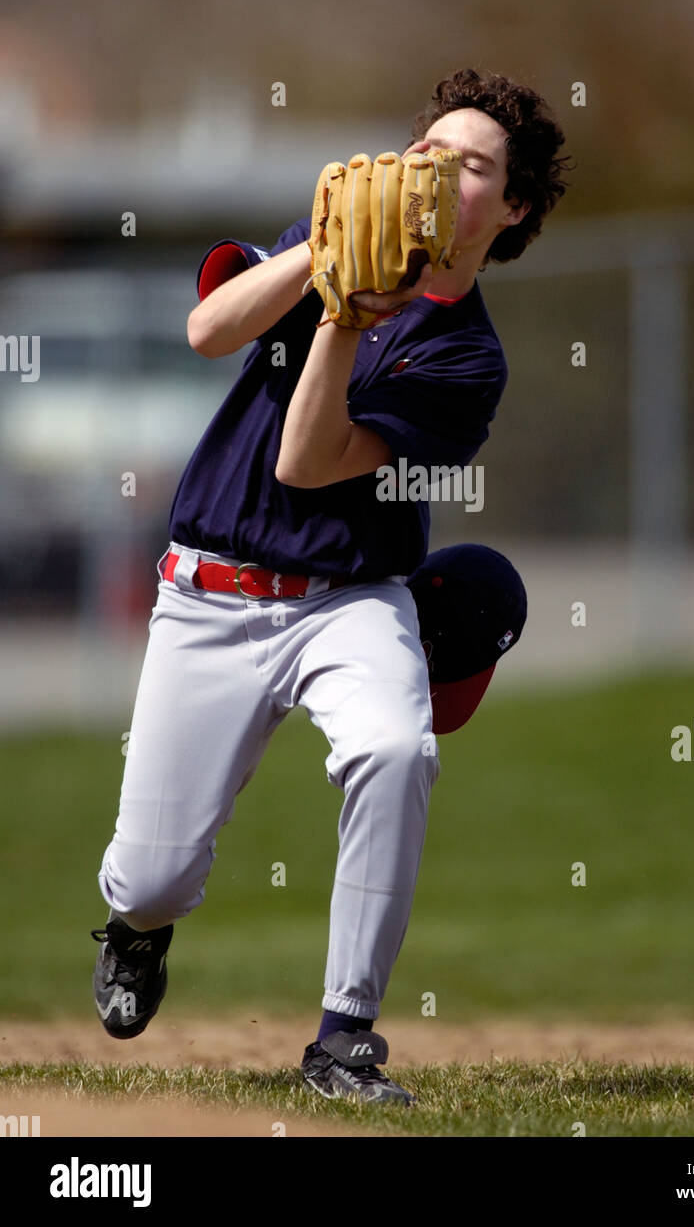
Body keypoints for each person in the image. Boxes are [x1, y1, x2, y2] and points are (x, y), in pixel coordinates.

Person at [90, 67, 569, 1106]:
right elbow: (208, 330)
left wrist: (348, 313)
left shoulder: (466, 360)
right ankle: (137, 930)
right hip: (207, 595)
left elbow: (307, 464)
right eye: (430, 150)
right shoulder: (332, 239)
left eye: (475, 164)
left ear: (515, 207)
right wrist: (320, 253)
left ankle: (344, 1036)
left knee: (398, 749)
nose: (440, 170)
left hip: (349, 598)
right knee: (151, 875)